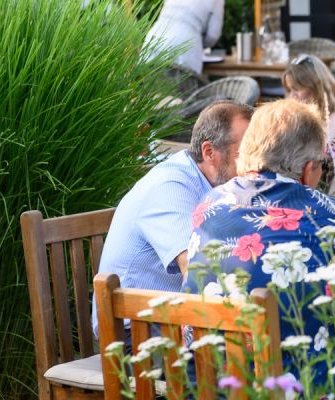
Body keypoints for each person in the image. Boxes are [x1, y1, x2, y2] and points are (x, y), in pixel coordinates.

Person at [181, 99, 335, 379]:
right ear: (308, 168)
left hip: (207, 389)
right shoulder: (333, 214)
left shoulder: (208, 205)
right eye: (321, 167)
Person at [91, 101, 252, 338]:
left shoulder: (217, 184)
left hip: (173, 318)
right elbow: (197, 268)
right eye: (246, 153)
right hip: (133, 331)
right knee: (251, 357)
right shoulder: (170, 186)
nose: (254, 163)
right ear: (209, 152)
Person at [282, 54, 335, 160]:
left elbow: (318, 157)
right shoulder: (296, 117)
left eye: (296, 89)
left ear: (316, 89)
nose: (292, 96)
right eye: (289, 90)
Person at [143, 0, 224, 74]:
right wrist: (202, 46)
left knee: (147, 85)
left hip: (156, 35)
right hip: (186, 41)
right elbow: (212, 35)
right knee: (184, 87)